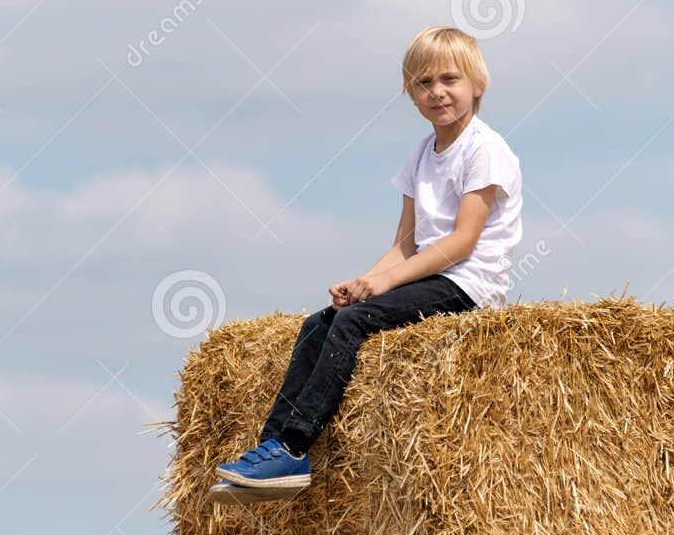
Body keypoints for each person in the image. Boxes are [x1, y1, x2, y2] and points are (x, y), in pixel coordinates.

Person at [214, 24, 523, 493]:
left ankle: (296, 449)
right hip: (428, 275)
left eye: (449, 79)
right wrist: (364, 281)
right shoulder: (421, 155)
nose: (437, 92)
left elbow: (461, 243)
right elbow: (406, 242)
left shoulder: (485, 150)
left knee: (355, 323)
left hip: (467, 286)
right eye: (423, 83)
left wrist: (384, 286)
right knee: (321, 322)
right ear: (411, 95)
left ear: (476, 85)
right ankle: (271, 446)